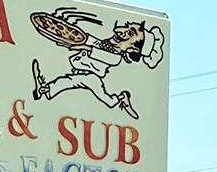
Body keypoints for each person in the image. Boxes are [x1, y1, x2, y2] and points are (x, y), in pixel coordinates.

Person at [32, 20, 164, 120]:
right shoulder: (105, 44)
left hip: (91, 77)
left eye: (130, 34)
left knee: (100, 96)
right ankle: (44, 90)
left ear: (133, 49)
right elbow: (88, 40)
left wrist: (79, 46)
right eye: (127, 26)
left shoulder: (115, 58)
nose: (121, 31)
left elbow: (94, 50)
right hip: (81, 73)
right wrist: (68, 34)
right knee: (67, 82)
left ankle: (121, 99)